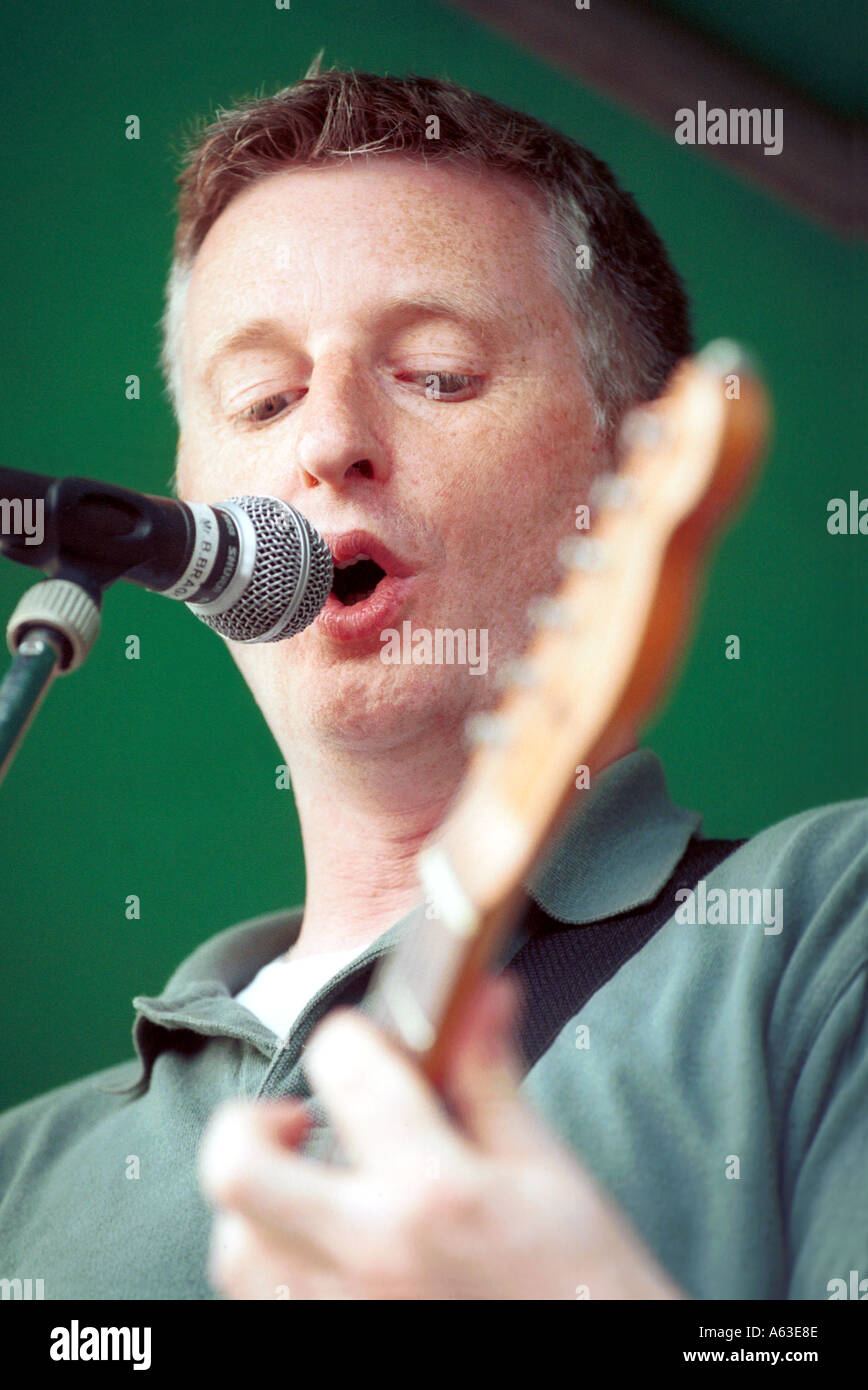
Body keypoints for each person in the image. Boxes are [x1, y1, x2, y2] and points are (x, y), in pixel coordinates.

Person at [0, 59, 864, 1302]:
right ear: (188, 502)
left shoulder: (825, 930)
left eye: (439, 374)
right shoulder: (27, 1171)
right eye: (262, 394)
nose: (327, 438)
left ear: (629, 470)